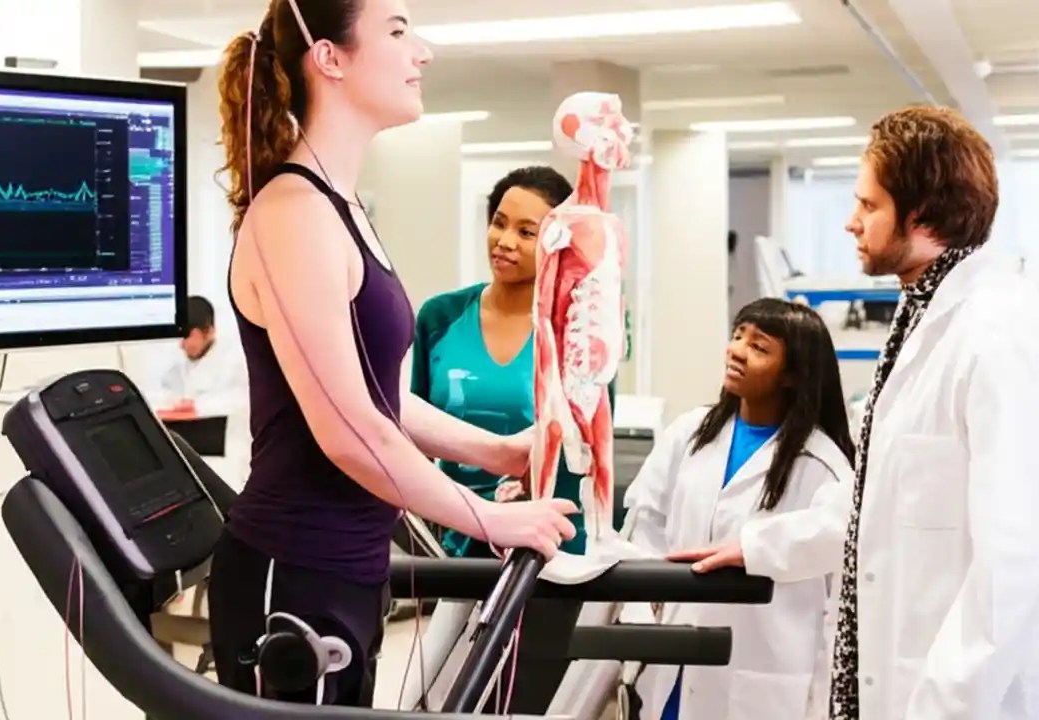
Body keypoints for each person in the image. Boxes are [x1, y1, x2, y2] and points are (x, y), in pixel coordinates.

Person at [205, 0, 579, 709]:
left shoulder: (339, 209)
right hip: (294, 569)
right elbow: (350, 431)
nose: (423, 52)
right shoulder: (292, 215)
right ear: (331, 59)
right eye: (399, 32)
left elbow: (377, 395)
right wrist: (488, 518)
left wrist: (501, 451)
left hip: (347, 567)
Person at [687, 106, 1039, 718]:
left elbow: (1017, 561)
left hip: (973, 697)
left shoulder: (997, 327)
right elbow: (882, 509)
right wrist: (761, 543)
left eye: (868, 206)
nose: (851, 223)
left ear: (922, 213)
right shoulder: (921, 316)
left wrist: (943, 703)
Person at [622, 298, 855, 720]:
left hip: (764, 682)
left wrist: (752, 548)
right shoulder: (689, 433)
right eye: (737, 336)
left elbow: (835, 562)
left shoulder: (823, 466)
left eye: (759, 347)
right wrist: (644, 613)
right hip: (673, 664)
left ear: (793, 375)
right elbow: (645, 519)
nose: (736, 350)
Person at [411, 166, 614, 558]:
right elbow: (413, 430)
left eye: (526, 232)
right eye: (499, 224)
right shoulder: (441, 316)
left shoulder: (577, 331)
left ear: (558, 242)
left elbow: (588, 451)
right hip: (452, 538)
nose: (504, 241)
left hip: (546, 544)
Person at [151, 295, 249, 422]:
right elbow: (164, 393)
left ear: (210, 332)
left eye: (188, 337)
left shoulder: (235, 362)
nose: (181, 345)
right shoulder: (176, 361)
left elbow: (240, 401)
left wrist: (195, 406)